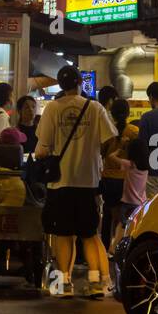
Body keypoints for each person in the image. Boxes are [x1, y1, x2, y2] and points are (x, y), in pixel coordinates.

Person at [34, 66, 117, 299]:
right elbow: (111, 141)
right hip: (88, 181)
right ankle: (95, 284)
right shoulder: (95, 107)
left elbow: (43, 148)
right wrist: (95, 154)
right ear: (81, 82)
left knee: (63, 235)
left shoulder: (52, 108)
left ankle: (63, 285)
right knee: (89, 234)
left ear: (60, 85)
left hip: (60, 182)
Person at [98, 99, 135, 246]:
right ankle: (119, 246)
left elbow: (100, 153)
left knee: (108, 214)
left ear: (112, 114)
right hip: (126, 179)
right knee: (123, 216)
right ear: (128, 113)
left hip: (108, 179)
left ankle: (105, 246)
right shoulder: (134, 131)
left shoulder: (107, 131)